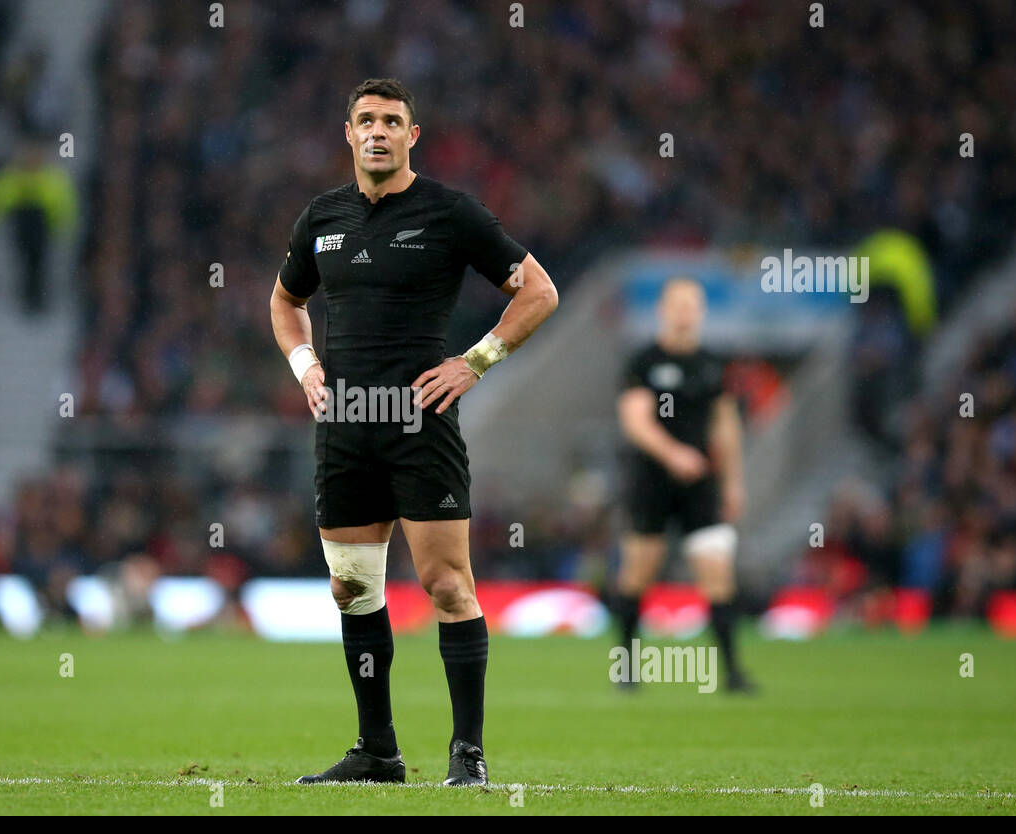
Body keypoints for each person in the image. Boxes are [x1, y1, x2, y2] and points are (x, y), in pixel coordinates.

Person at [270, 78, 557, 785]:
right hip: (344, 429)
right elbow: (285, 300)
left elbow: (539, 292)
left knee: (448, 585)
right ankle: (377, 751)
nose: (377, 131)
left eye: (391, 121)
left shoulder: (450, 213)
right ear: (348, 133)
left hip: (417, 424)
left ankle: (468, 753)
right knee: (351, 590)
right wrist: (306, 363)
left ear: (411, 136)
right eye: (365, 120)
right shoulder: (322, 217)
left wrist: (476, 361)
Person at [610, 278, 756, 692]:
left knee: (717, 571)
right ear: (662, 309)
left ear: (702, 312)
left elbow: (726, 426)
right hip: (651, 482)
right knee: (639, 571)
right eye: (677, 304)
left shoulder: (713, 365)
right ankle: (626, 668)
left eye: (692, 305)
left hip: (701, 485)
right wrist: (675, 455)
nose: (684, 312)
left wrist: (733, 483)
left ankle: (732, 673)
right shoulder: (643, 361)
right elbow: (635, 421)